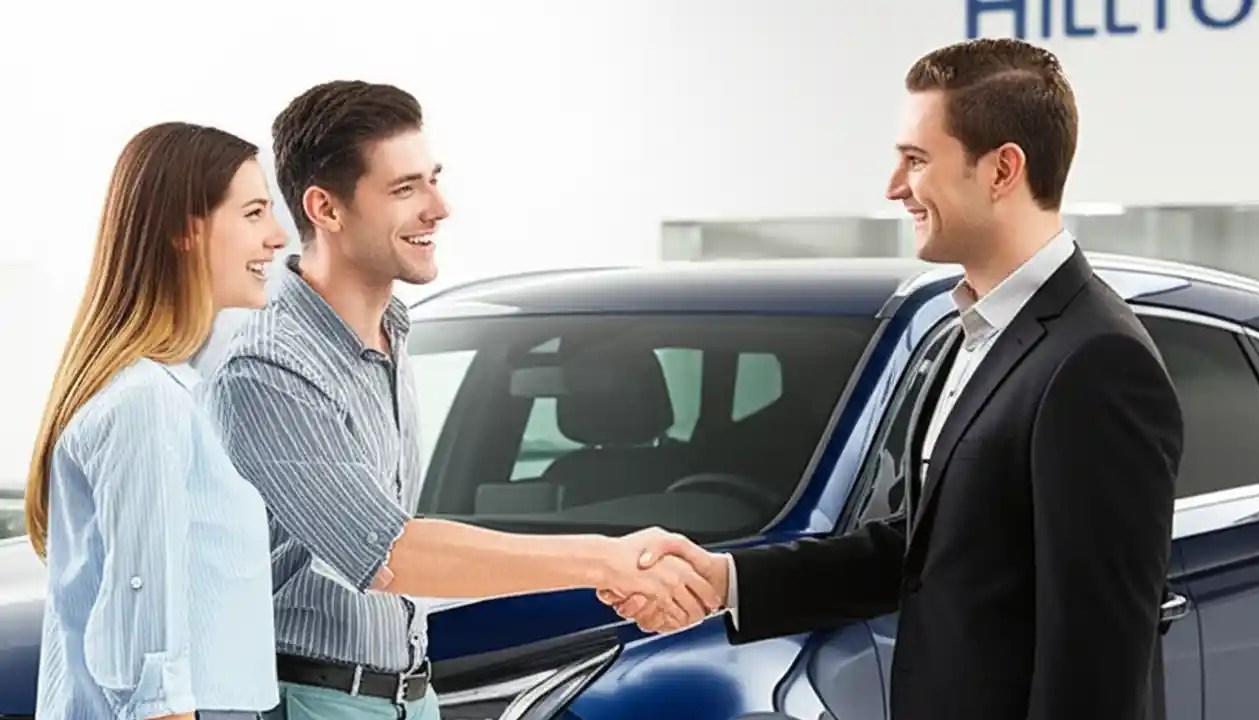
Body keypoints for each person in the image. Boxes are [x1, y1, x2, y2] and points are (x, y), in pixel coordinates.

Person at [605, 38, 1185, 720]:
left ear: (1002, 170)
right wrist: (726, 580)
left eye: (916, 160)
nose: (893, 187)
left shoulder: (1097, 364)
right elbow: (922, 551)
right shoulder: (962, 336)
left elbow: (1098, 659)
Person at [202, 80, 715, 720]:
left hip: (410, 693)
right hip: (313, 699)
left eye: (433, 178)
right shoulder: (269, 368)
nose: (439, 207)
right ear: (326, 209)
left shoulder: (393, 328)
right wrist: (609, 560)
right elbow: (390, 555)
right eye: (405, 188)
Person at [26, 122, 289, 719]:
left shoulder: (173, 393)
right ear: (184, 230)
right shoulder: (147, 404)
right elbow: (150, 670)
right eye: (253, 213)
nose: (276, 237)